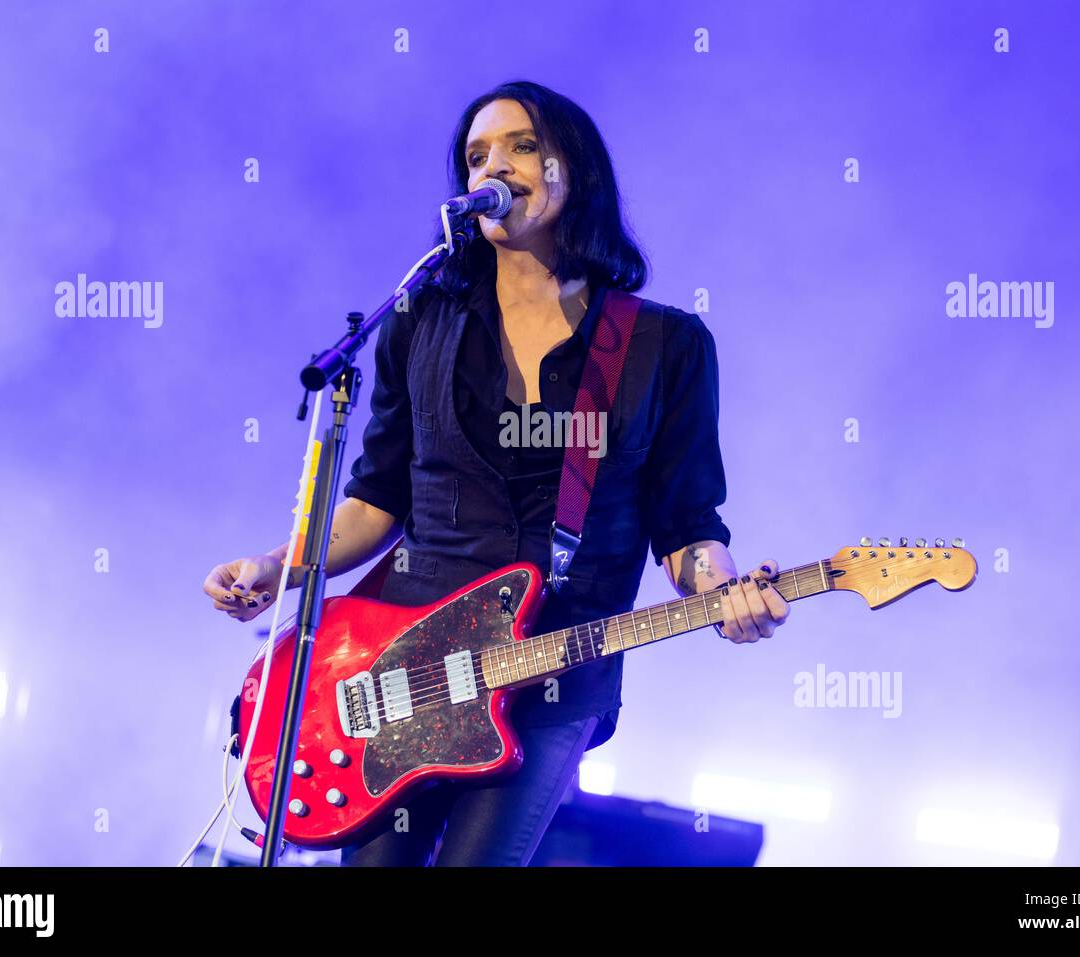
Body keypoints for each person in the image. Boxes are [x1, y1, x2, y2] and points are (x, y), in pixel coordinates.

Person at [202, 80, 789, 866]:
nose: (495, 165)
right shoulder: (422, 320)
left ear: (572, 168)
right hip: (397, 661)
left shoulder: (665, 344)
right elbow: (377, 501)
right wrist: (280, 566)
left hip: (546, 671)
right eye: (477, 155)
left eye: (520, 146)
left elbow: (687, 524)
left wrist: (723, 593)